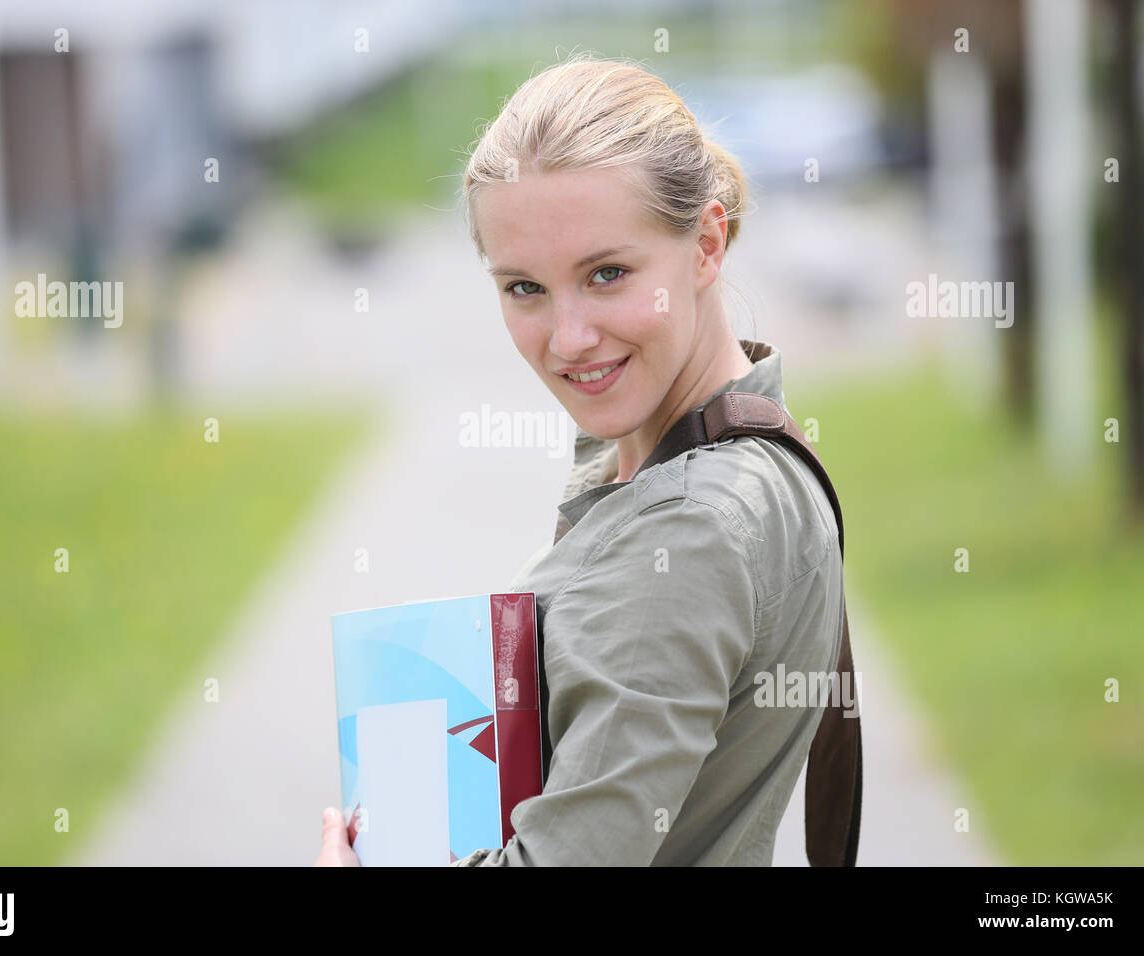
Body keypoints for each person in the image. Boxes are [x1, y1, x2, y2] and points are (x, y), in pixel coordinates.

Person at [316, 51, 844, 867]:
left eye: (607, 274)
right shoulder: (752, 442)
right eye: (523, 287)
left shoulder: (689, 528)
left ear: (706, 244)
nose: (567, 339)